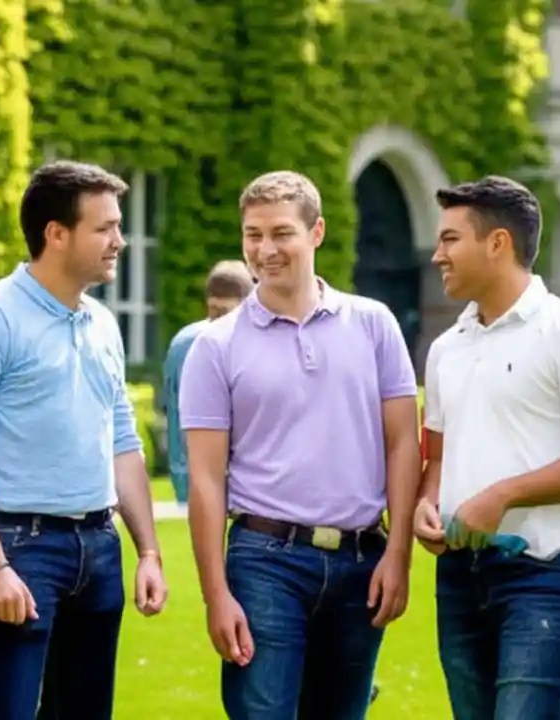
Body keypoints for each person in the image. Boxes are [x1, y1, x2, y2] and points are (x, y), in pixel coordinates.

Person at [179, 170, 420, 719]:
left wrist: (399, 552)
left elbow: (404, 443)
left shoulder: (374, 325)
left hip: (363, 560)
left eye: (281, 233)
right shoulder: (215, 347)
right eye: (252, 235)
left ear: (316, 233)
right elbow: (205, 479)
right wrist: (216, 594)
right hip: (265, 562)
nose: (265, 250)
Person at [0, 160, 168, 720]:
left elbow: (121, 440)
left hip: (98, 546)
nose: (120, 240)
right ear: (56, 234)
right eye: (105, 228)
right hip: (20, 546)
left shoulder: (102, 323)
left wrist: (148, 551)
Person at [413, 176, 560, 720]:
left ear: (498, 243)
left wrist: (503, 496)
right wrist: (425, 503)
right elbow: (437, 457)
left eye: (449, 240)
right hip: (460, 574)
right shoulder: (445, 349)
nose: (437, 254)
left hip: (546, 573)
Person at [162, 260, 254, 508]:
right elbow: (175, 416)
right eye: (215, 312)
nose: (219, 322)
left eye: (227, 313)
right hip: (200, 476)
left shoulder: (259, 344)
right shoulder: (187, 345)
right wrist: (185, 482)